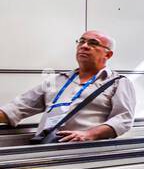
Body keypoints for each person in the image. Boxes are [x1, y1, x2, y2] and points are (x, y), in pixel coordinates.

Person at [0, 30, 136, 142]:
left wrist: (90, 134)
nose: (85, 46)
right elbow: (18, 107)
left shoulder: (118, 82)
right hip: (45, 147)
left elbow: (123, 119)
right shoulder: (58, 80)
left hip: (83, 151)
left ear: (108, 54)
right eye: (81, 41)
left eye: (93, 43)